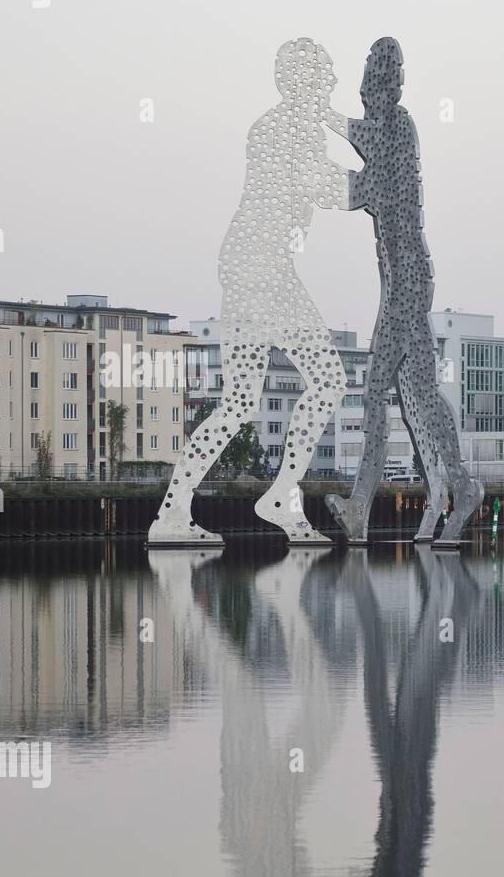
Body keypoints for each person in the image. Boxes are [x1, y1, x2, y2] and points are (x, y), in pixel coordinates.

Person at [149, 39, 354, 546]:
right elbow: (327, 188)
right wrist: (382, 181)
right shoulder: (281, 129)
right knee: (328, 379)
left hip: (251, 267)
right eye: (324, 75)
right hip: (263, 271)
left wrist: (342, 129)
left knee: (239, 403)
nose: (331, 82)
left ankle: (174, 512)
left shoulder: (290, 126)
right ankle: (281, 494)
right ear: (302, 80)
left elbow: (322, 182)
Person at [325, 37, 483, 548]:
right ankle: (460, 484)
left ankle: (358, 508)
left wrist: (314, 115)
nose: (367, 84)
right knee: (419, 395)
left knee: (374, 390)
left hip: (407, 285)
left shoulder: (395, 125)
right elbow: (355, 189)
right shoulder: (388, 135)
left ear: (381, 81)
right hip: (403, 281)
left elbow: (356, 160)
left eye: (372, 73)